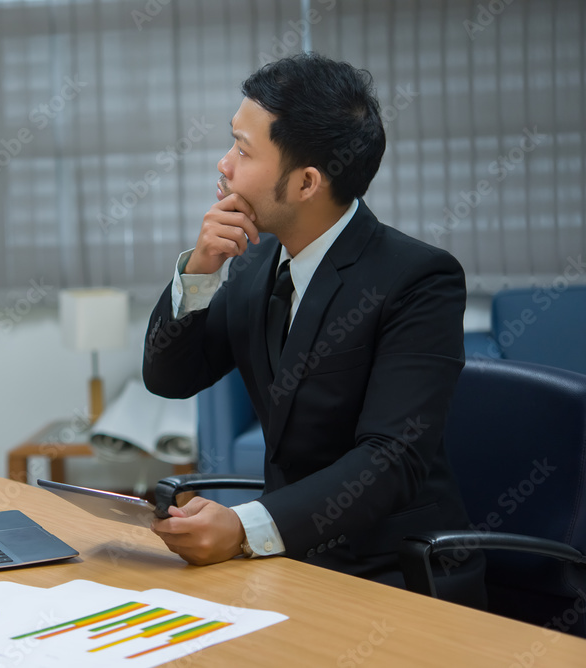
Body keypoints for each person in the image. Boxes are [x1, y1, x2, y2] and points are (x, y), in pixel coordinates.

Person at [142, 53, 485, 606]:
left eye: (243, 150)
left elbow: (390, 460)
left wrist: (244, 526)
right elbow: (171, 377)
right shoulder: (256, 262)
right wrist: (200, 271)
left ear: (306, 182)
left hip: (395, 576)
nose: (224, 165)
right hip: (290, 564)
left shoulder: (418, 278)